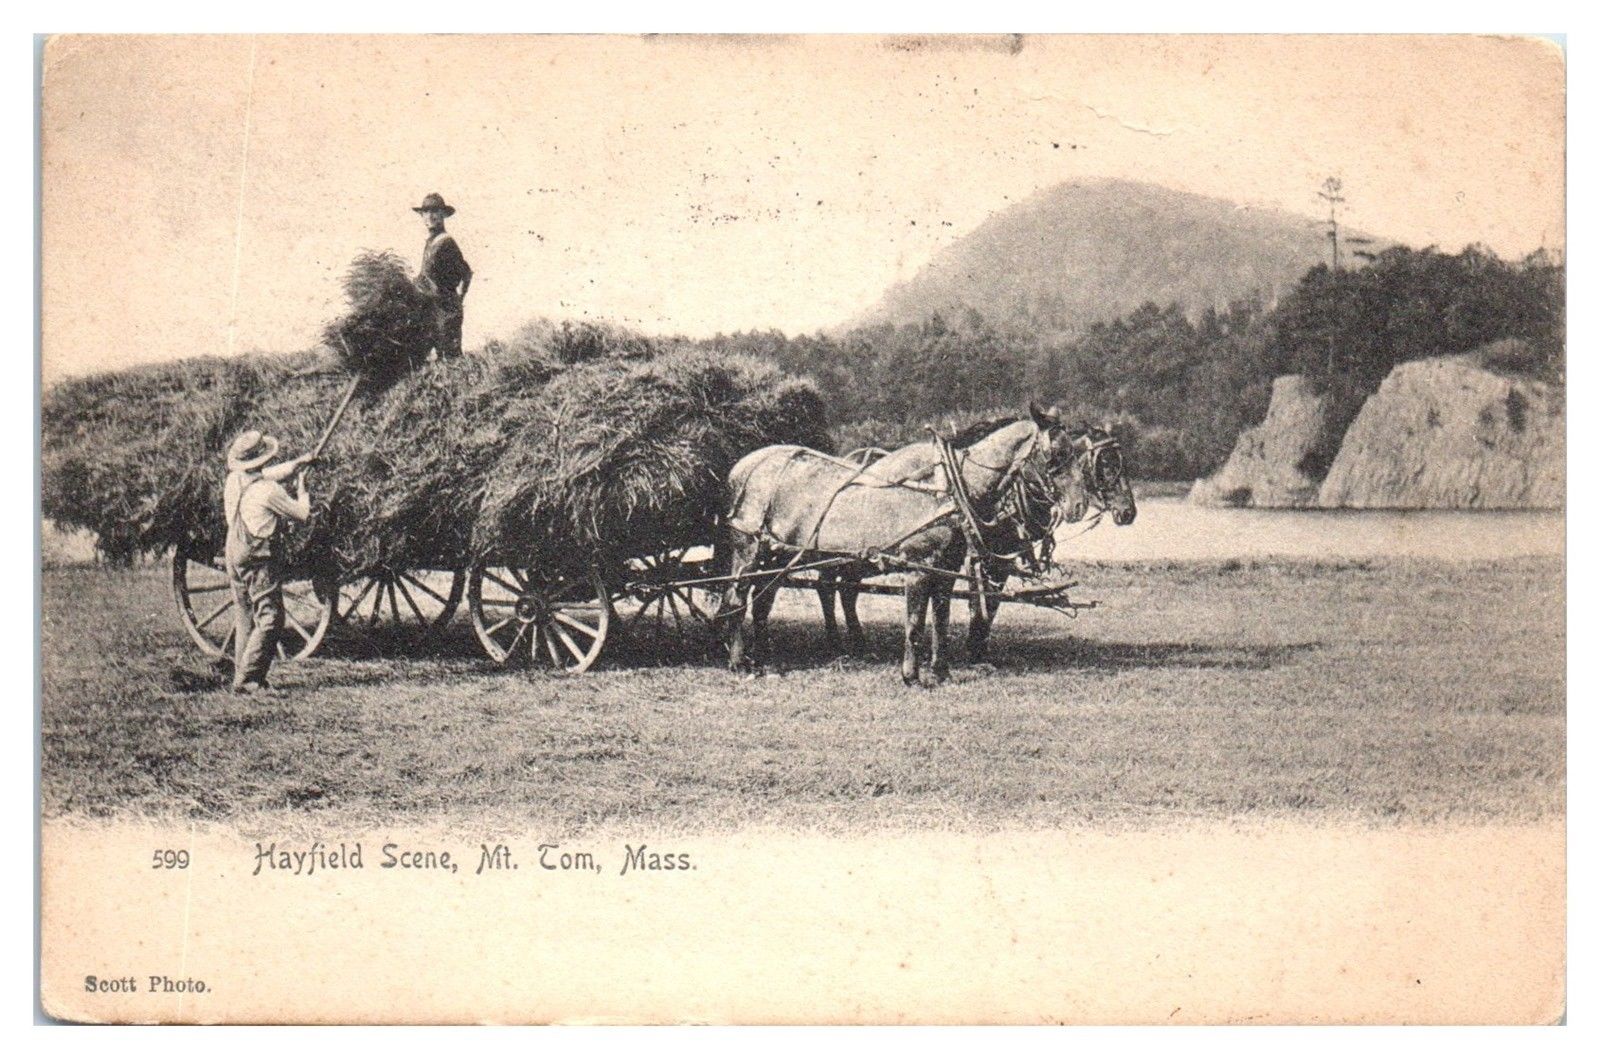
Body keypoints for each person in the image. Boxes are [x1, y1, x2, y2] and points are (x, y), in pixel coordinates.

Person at [222, 431, 315, 693]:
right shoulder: (268, 491)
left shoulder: (235, 480)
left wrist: (299, 462)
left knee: (245, 614)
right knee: (271, 618)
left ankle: (240, 675)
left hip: (234, 550)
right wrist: (302, 487)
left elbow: (269, 473)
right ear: (263, 459)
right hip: (257, 557)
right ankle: (249, 680)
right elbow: (302, 514)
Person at [412, 192, 473, 359]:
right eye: (426, 212)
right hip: (432, 310)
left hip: (446, 312)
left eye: (434, 211)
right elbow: (426, 275)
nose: (430, 216)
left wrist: (458, 300)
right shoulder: (430, 242)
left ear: (443, 215)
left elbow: (466, 273)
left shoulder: (446, 242)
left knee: (450, 360)